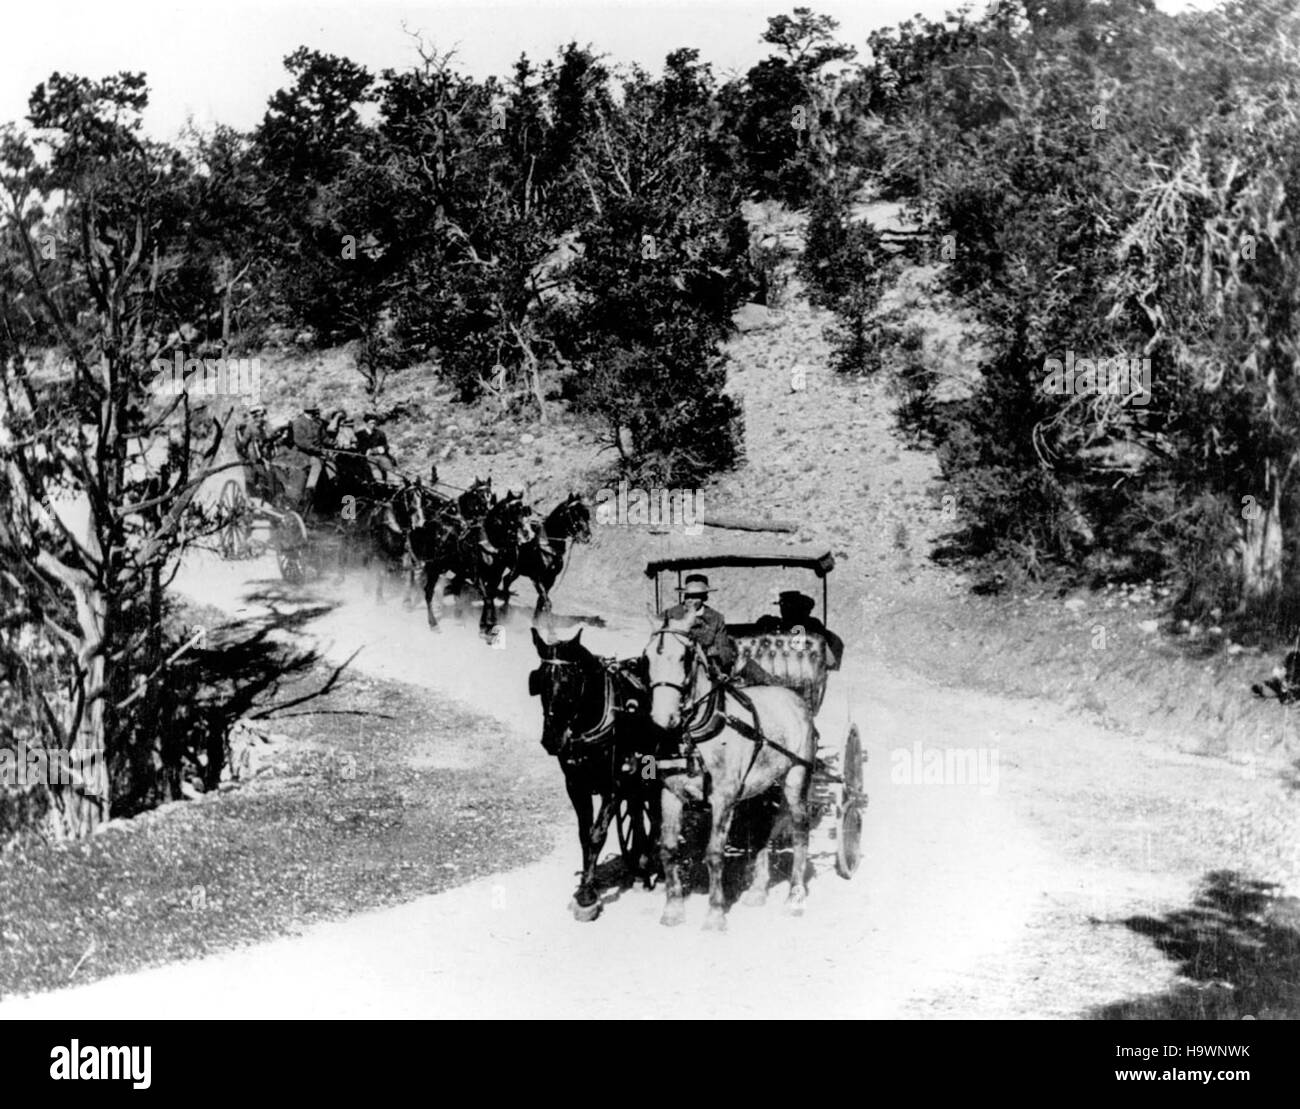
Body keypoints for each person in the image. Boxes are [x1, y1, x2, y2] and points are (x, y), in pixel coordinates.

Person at [662, 574, 737, 677]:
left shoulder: (716, 618)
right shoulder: (671, 614)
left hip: (706, 671)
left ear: (704, 597)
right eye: (687, 596)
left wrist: (714, 654)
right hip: (674, 668)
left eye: (695, 596)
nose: (690, 600)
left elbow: (724, 651)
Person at [756, 590, 844, 670]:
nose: (784, 609)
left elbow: (830, 659)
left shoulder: (813, 626)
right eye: (783, 606)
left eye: (788, 606)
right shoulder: (772, 623)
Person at [289, 403, 325, 505]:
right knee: (316, 464)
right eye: (313, 411)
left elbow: (324, 437)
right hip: (301, 454)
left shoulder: (318, 423)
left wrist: (336, 443)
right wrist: (314, 448)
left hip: (316, 452)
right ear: (307, 411)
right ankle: (310, 489)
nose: (315, 413)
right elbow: (300, 441)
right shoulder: (298, 423)